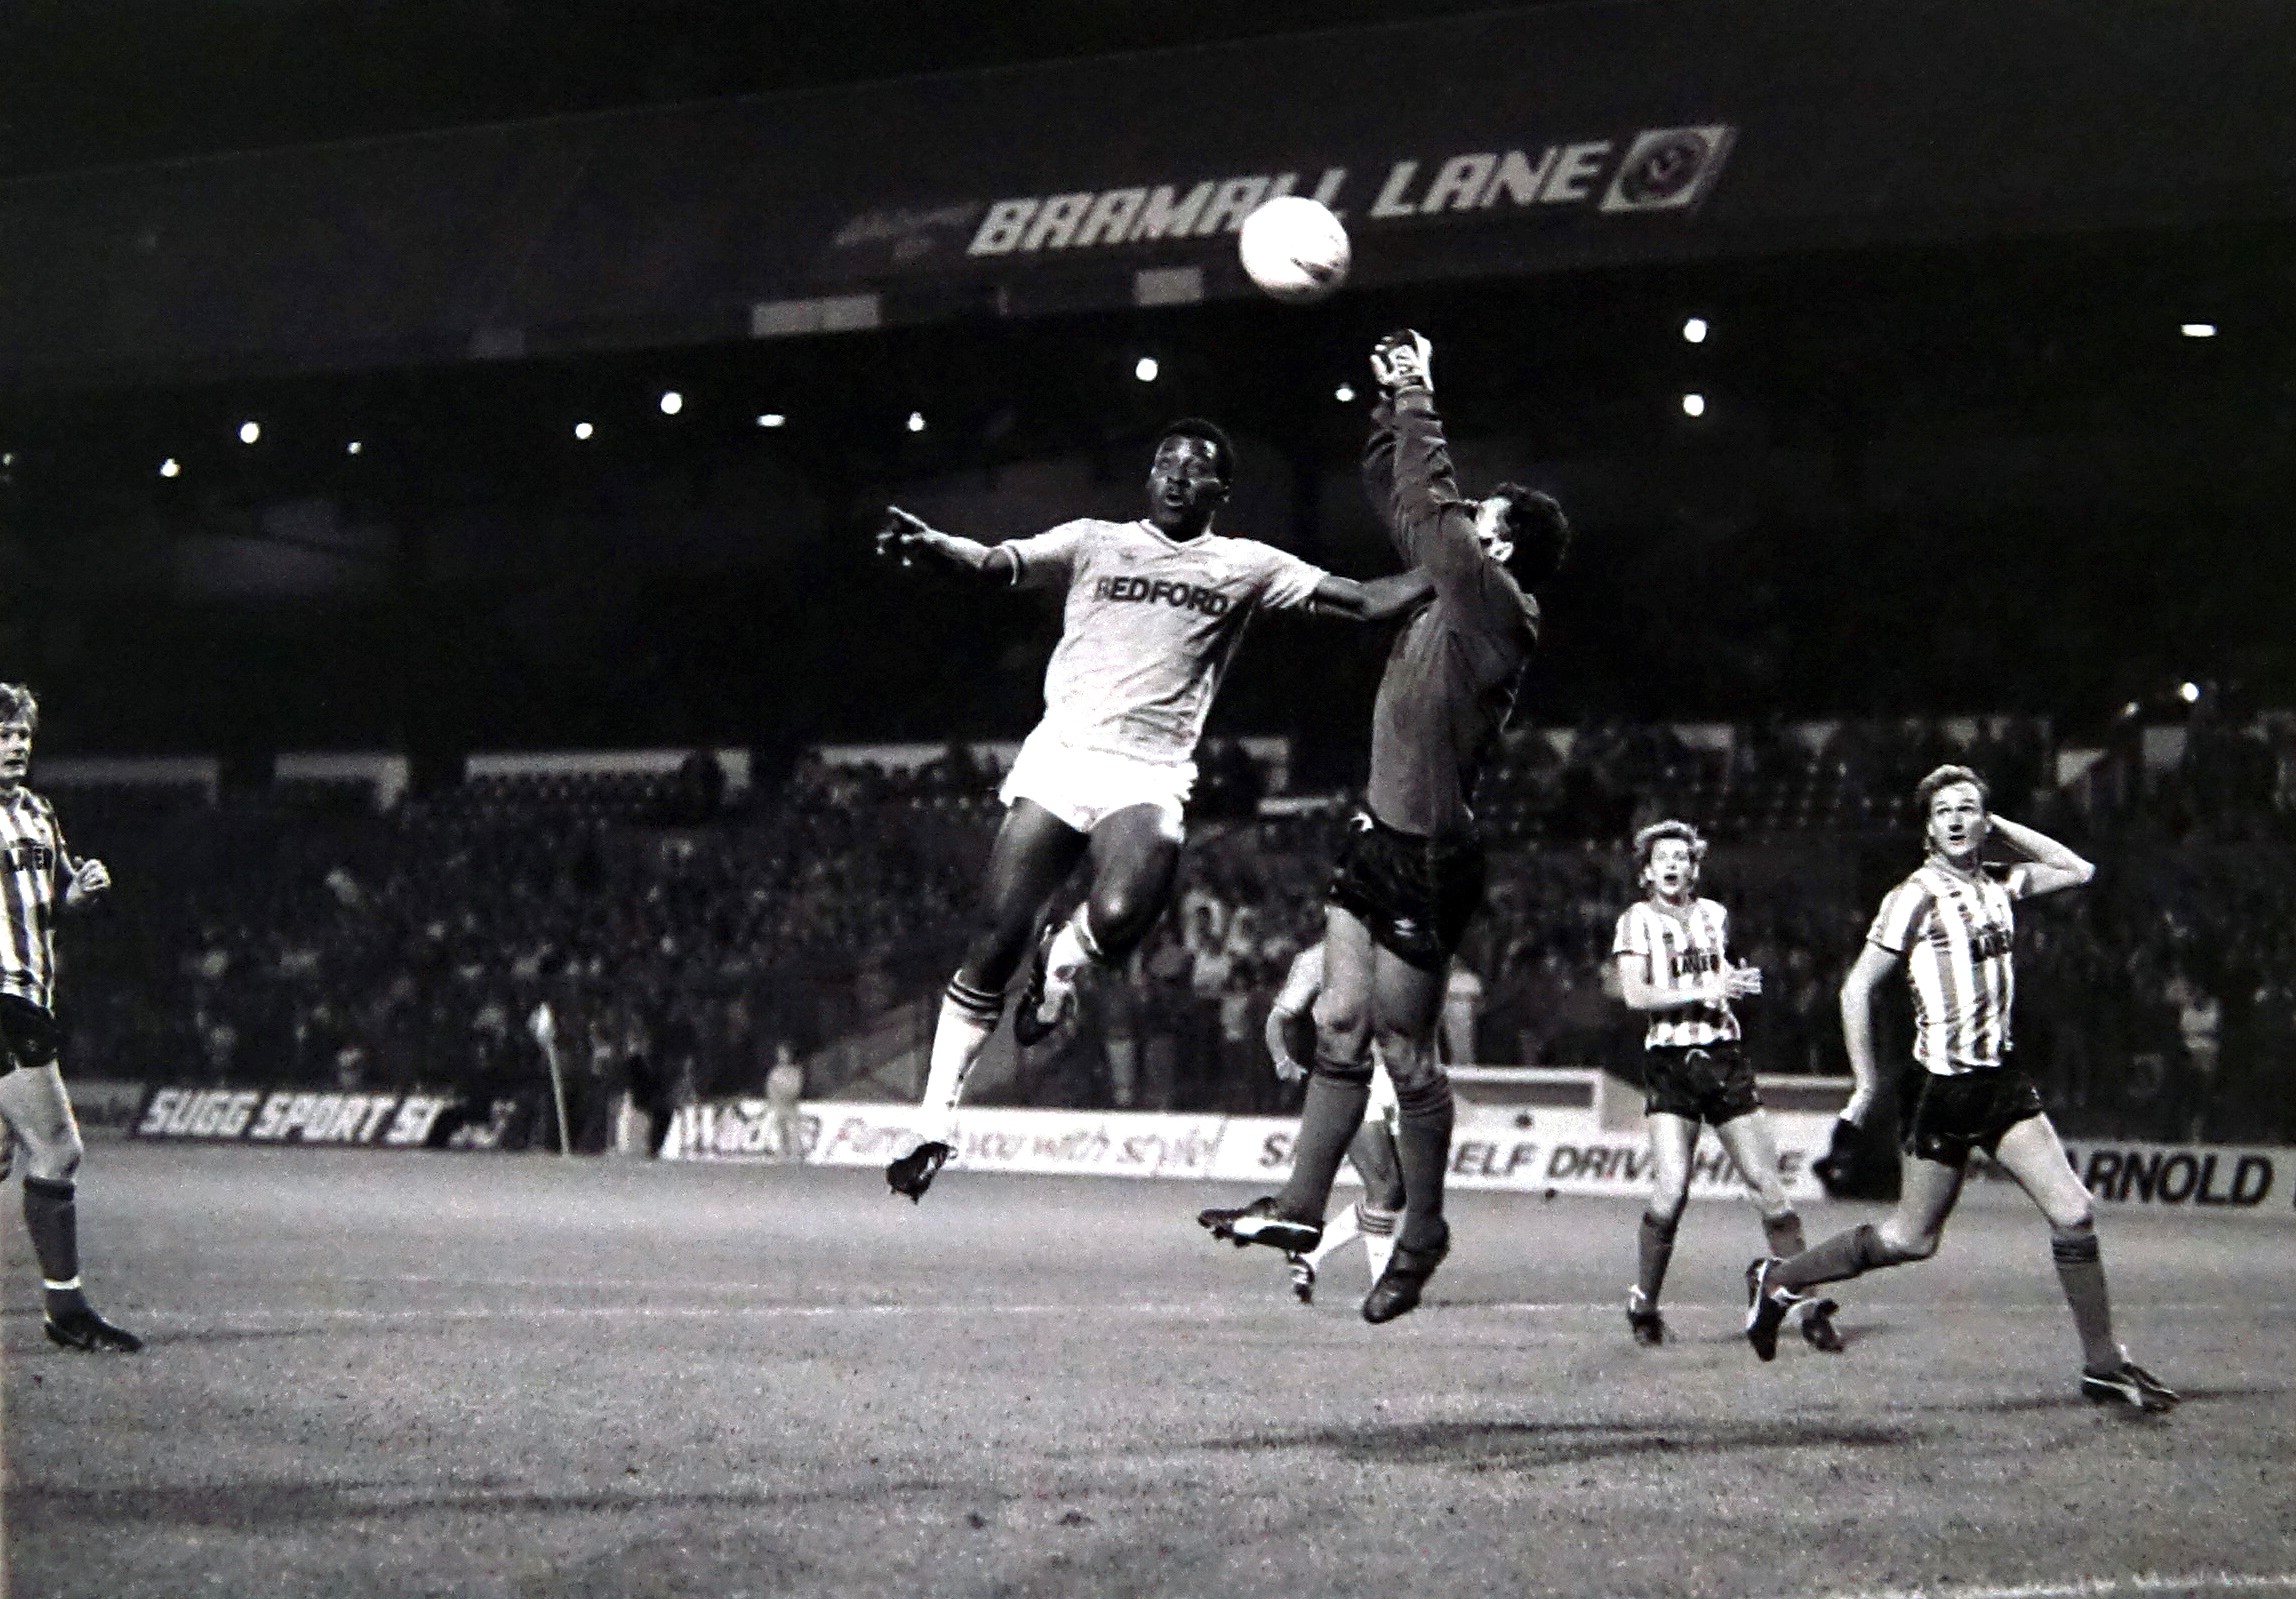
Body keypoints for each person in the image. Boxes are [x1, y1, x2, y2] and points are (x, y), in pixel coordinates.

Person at [874, 418, 1433, 1201]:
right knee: (994, 940)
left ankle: (1062, 963)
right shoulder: (1095, 540)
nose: (1175, 474)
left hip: (1148, 769)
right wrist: (940, 546)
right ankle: (933, 1122)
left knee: (1126, 905)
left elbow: (1368, 601)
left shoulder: (1244, 564)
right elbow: (998, 563)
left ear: (1220, 491)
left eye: (1194, 467)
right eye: (1164, 461)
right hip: (1062, 757)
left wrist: (1456, 569)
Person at [1200, 332, 1568, 1323]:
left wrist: (1417, 391)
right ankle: (1298, 1205)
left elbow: (1433, 512)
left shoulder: (1500, 608)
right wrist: (1383, 413)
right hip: (1374, 841)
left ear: (1502, 547)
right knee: (1336, 1023)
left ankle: (1427, 1226)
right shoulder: (1458, 585)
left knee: (1406, 1058)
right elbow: (1403, 497)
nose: (1461, 523)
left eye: (1479, 520)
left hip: (1429, 863)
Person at [1745, 765, 2178, 1413]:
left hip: (2000, 1082)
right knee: (1910, 1239)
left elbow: (2078, 867)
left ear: (1984, 820)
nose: (1954, 818)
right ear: (1927, 827)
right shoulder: (1913, 895)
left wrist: (1995, 825)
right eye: (1942, 810)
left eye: (1967, 808)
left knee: (2074, 1210)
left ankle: (2102, 1364)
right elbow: (1856, 987)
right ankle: (1778, 1279)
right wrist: (1866, 1083)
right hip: (1939, 1090)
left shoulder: (2002, 884)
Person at [1612, 820, 1841, 1352]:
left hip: (1723, 1058)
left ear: (1694, 868)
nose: (1673, 864)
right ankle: (1643, 1303)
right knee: (1670, 1193)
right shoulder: (1636, 921)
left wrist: (1738, 984)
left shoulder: (1715, 915)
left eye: (1682, 857)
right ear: (1647, 872)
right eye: (1662, 857)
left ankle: (1807, 1307)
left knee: (1771, 1190)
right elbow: (1635, 995)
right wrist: (1709, 984)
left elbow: (1723, 976)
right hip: (1670, 1065)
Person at [0, 685, 142, 1352]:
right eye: (3, 736)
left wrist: (81, 889)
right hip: (2, 1000)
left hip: (32, 995)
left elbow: (53, 899)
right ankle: (67, 1309)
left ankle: (66, 1309)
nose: (16, 746)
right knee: (59, 1146)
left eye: (22, 735)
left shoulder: (36, 812)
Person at [1258, 939, 1402, 1304]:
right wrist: (1281, 1060)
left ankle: (1310, 1255)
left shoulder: (1395, 949)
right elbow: (1278, 1017)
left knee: (1394, 1192)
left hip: (1398, 1079)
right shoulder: (1314, 960)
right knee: (1383, 1185)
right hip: (1354, 1080)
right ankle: (1383, 1289)